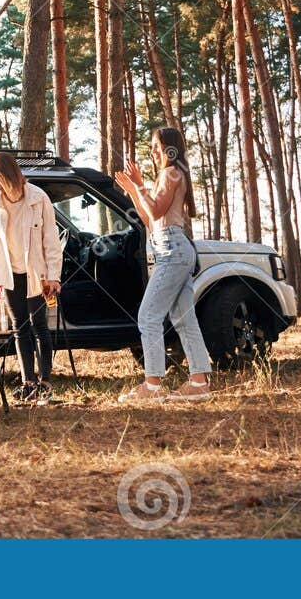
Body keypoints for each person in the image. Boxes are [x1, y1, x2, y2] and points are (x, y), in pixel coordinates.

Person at [113, 127, 212, 403]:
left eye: (157, 146)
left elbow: (156, 210)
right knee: (183, 318)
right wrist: (134, 188)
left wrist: (140, 186)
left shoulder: (171, 173)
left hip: (173, 250)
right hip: (170, 249)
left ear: (171, 148)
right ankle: (199, 382)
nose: (154, 151)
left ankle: (152, 386)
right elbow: (149, 219)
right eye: (152, 146)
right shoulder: (166, 176)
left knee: (148, 316)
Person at [0, 151, 61, 404]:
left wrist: (53, 276)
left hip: (37, 272)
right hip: (8, 273)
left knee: (40, 326)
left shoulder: (38, 197)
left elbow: (50, 239)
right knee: (19, 328)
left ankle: (45, 381)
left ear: (11, 175)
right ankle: (28, 382)